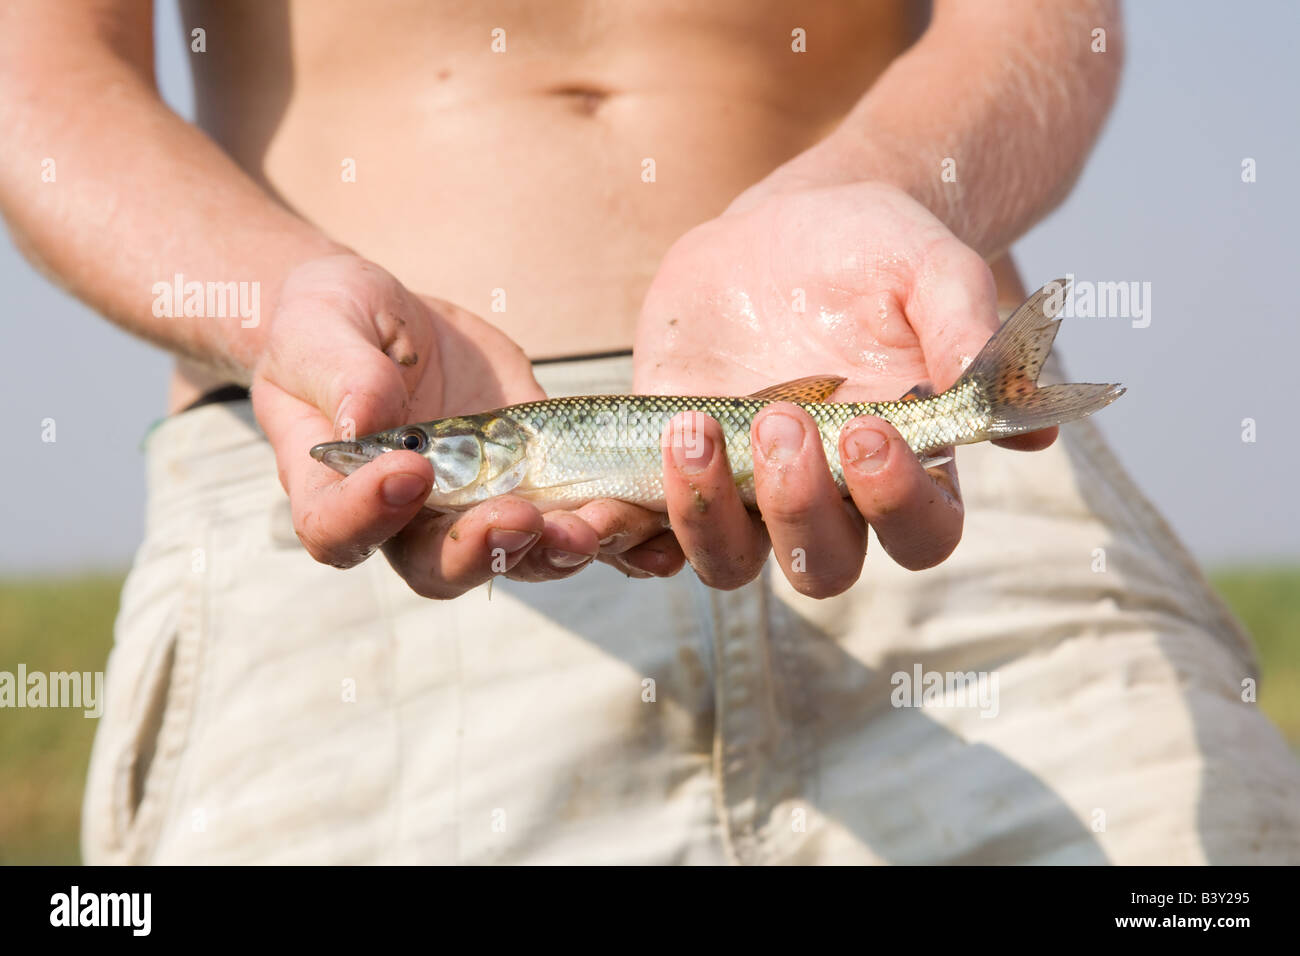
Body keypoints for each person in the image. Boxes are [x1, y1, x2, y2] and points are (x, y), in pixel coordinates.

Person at [2, 0, 1297, 864]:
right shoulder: (419, 460)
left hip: (926, 457)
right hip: (308, 501)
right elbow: (39, 69)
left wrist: (881, 183)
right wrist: (282, 303)